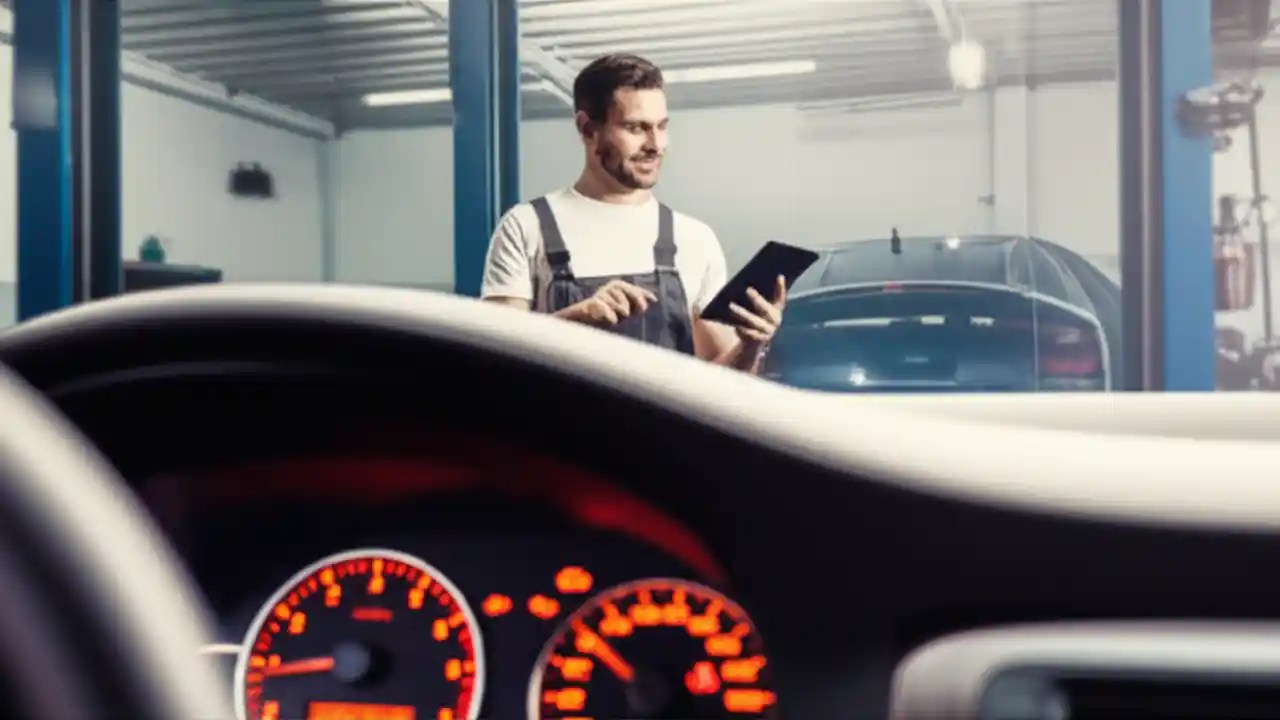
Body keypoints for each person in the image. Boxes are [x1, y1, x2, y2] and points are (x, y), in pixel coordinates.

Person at [478, 53, 786, 373]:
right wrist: (574, 321)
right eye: (636, 127)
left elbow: (722, 382)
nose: (656, 145)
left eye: (662, 127)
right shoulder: (526, 227)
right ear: (587, 129)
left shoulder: (694, 239)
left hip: (663, 425)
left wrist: (751, 345)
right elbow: (495, 365)